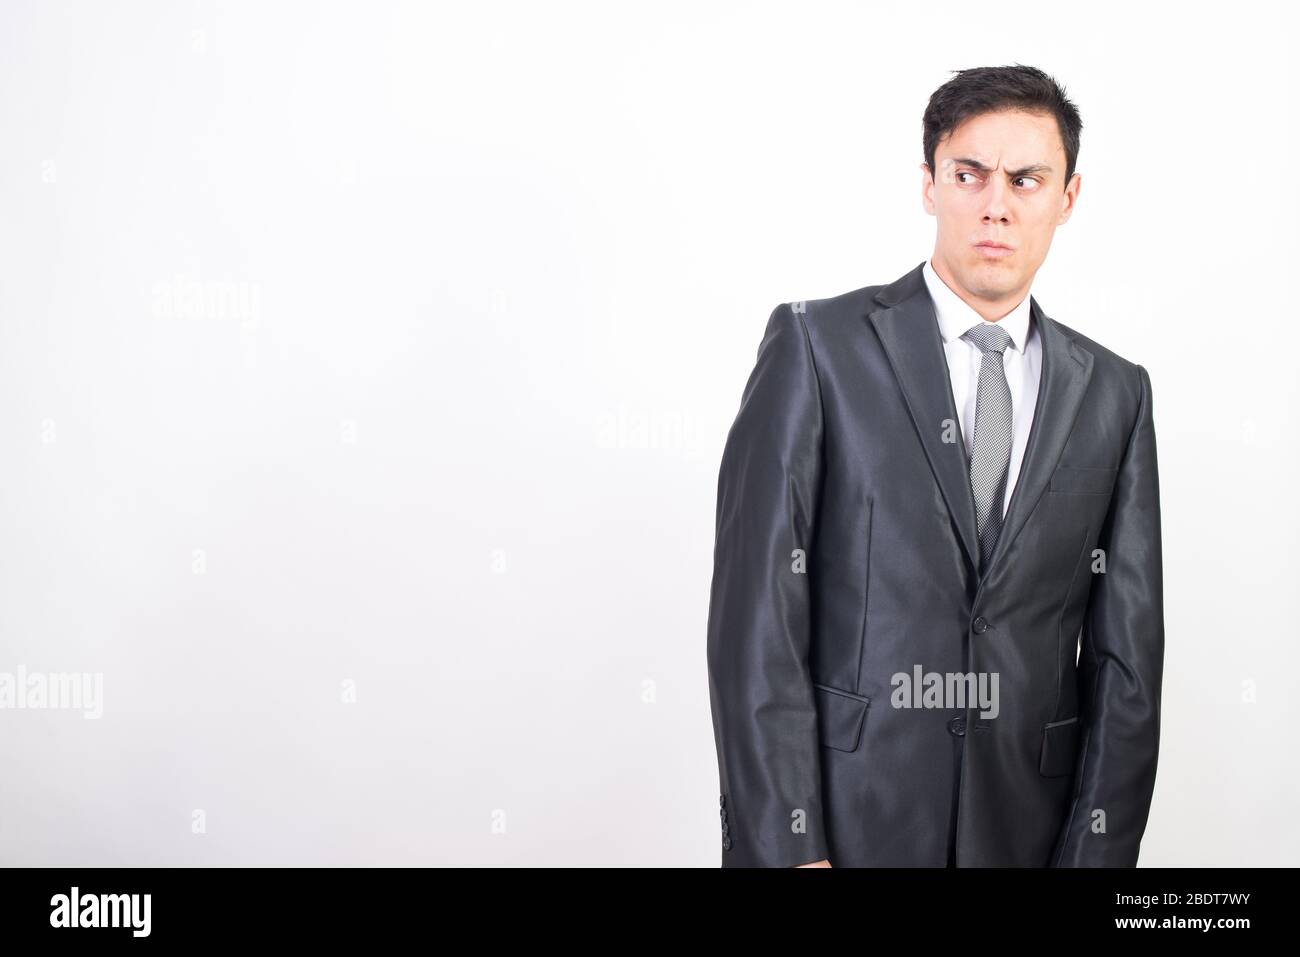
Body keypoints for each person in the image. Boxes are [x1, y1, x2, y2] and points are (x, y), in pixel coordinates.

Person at [706, 64, 1163, 867]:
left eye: (1027, 179)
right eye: (969, 174)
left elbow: (1128, 665)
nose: (996, 204)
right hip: (846, 825)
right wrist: (791, 845)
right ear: (929, 185)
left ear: (1068, 197)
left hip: (1030, 828)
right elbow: (756, 624)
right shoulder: (819, 348)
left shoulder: (1116, 393)